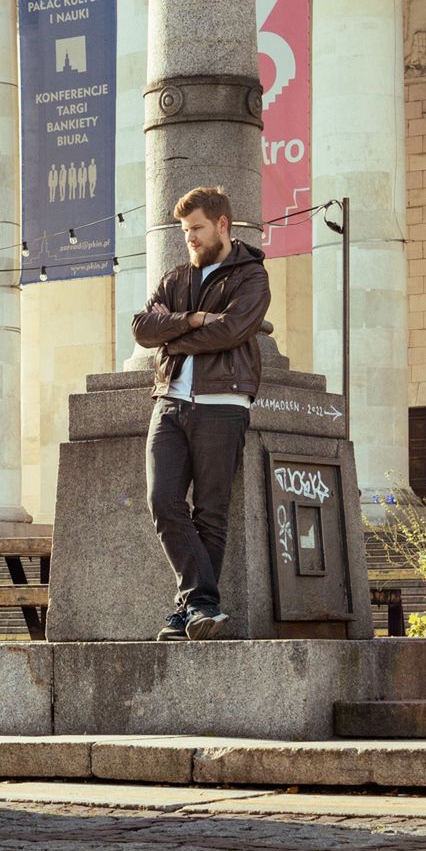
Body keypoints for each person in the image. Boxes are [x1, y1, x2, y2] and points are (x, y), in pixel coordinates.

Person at [130, 186, 272, 642]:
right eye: (185, 230)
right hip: (170, 401)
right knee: (163, 500)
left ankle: (190, 609)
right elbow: (140, 328)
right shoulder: (175, 279)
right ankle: (199, 604)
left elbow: (232, 330)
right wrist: (192, 321)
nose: (189, 238)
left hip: (223, 403)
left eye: (196, 229)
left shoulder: (252, 277)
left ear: (222, 225)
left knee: (210, 513)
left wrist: (171, 336)